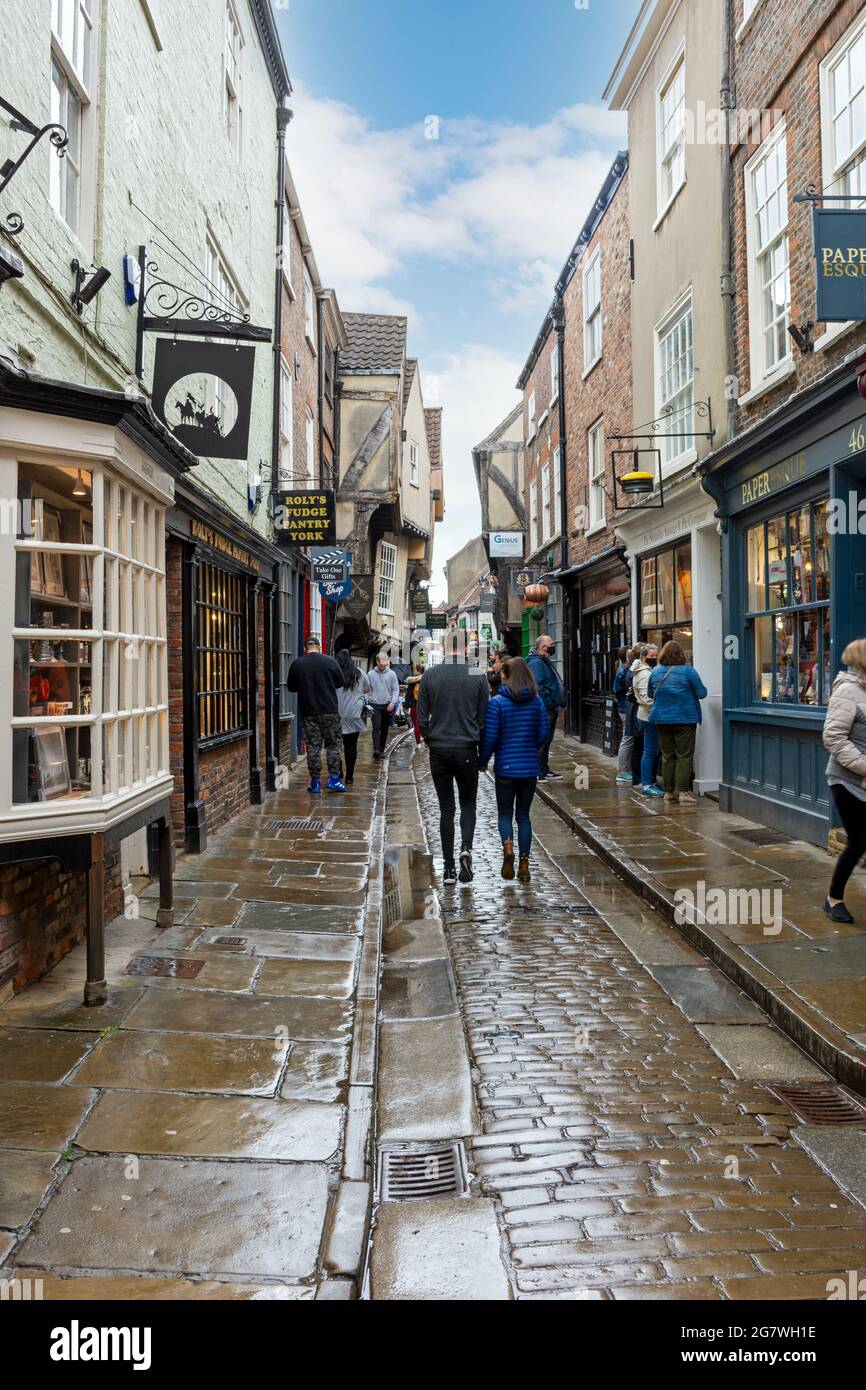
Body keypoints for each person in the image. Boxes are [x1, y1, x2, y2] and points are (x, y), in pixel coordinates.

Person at [418, 637, 489, 885]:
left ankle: (448, 870)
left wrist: (429, 739)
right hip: (467, 749)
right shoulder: (477, 675)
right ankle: (466, 849)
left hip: (439, 749)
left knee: (446, 809)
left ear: (446, 647)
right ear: (466, 648)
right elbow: (483, 720)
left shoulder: (430, 675)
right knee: (468, 805)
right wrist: (481, 750)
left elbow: (421, 717)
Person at [480, 656, 548, 884]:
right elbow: (542, 735)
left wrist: (483, 761)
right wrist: (530, 749)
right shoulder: (537, 702)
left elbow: (490, 737)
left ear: (508, 677)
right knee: (524, 817)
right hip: (529, 768)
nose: (500, 678)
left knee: (505, 814)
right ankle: (525, 864)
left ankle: (507, 845)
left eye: (502, 675)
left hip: (505, 769)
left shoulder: (498, 703)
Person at [822, 638, 866, 923]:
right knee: (860, 841)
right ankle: (833, 898)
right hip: (848, 781)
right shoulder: (848, 691)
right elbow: (833, 737)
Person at [648, 640, 708, 805]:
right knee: (684, 755)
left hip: (661, 718)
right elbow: (702, 693)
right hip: (684, 718)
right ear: (681, 654)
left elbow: (650, 693)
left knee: (667, 755)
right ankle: (683, 792)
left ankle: (668, 793)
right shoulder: (688, 671)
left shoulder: (655, 672)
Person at [286, 635, 345, 794]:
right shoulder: (330, 661)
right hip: (330, 711)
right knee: (333, 745)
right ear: (319, 647)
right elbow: (340, 682)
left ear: (305, 649)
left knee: (313, 747)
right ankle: (333, 779)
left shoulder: (297, 663)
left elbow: (291, 687)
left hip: (309, 711)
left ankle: (315, 783)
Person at [527, 634, 565, 780]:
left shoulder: (543, 660)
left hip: (550, 707)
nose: (553, 646)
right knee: (543, 739)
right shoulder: (536, 663)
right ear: (543, 647)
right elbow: (539, 687)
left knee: (547, 739)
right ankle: (538, 771)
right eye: (551, 644)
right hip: (545, 709)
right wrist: (549, 703)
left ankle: (543, 768)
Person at [632, 643, 662, 797]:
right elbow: (646, 698)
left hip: (647, 715)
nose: (655, 658)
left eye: (656, 655)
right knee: (650, 751)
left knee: (653, 751)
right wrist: (661, 704)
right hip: (649, 716)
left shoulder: (646, 670)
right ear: (643, 657)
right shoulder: (645, 673)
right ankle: (647, 784)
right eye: (651, 656)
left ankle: (651, 781)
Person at [336, 648, 365, 785]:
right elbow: (368, 688)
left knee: (336, 746)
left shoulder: (334, 673)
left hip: (337, 714)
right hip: (353, 714)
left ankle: (339, 771)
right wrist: (360, 699)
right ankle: (350, 776)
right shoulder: (359, 673)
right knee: (351, 746)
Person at [364, 650, 400, 760]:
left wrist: (392, 703)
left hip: (387, 705)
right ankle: (376, 750)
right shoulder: (370, 674)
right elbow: (367, 689)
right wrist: (367, 701)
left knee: (384, 729)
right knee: (376, 727)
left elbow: (395, 690)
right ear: (376, 662)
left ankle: (381, 750)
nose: (381, 663)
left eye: (383, 661)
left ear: (386, 661)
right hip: (374, 704)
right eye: (379, 661)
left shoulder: (392, 674)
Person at [613, 646, 634, 783]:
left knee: (628, 739)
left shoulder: (621, 670)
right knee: (627, 739)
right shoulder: (624, 671)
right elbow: (619, 691)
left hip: (623, 707)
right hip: (625, 709)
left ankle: (627, 769)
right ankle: (622, 771)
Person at [403, 662, 424, 746]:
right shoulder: (426, 679)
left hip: (415, 706)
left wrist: (406, 706)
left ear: (418, 670)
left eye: (414, 670)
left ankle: (418, 743)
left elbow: (408, 695)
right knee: (424, 724)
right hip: (424, 707)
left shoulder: (411, 680)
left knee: (416, 725)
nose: (412, 671)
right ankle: (427, 743)